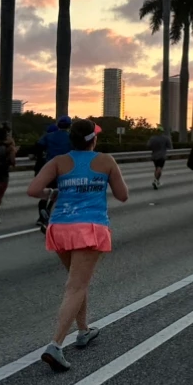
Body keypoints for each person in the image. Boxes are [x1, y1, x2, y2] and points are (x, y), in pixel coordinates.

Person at [29, 120, 129, 372]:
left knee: (77, 282)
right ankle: (55, 345)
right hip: (90, 227)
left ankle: (83, 330)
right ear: (93, 139)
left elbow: (33, 190)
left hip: (60, 227)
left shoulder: (59, 162)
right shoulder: (106, 161)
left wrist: (52, 194)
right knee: (76, 286)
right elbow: (122, 195)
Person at [35, 117, 73, 230]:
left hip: (50, 167)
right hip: (65, 169)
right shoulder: (71, 137)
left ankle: (42, 216)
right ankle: (50, 212)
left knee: (47, 191)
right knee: (61, 193)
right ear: (69, 125)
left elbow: (38, 146)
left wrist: (40, 158)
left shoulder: (49, 136)